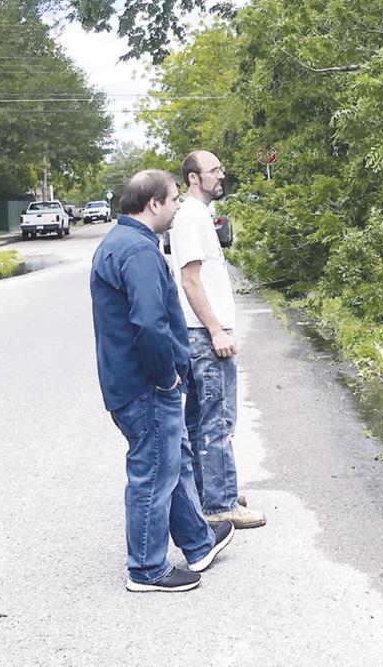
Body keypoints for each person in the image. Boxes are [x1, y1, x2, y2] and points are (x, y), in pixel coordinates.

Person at [90, 169, 235, 591]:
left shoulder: (122, 242)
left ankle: (197, 541)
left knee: (168, 463)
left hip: (130, 382)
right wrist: (167, 377)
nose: (177, 208)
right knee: (153, 471)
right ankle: (147, 568)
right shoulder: (137, 252)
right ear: (153, 203)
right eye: (173, 200)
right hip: (145, 385)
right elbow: (150, 325)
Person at [169, 151, 266, 528]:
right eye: (214, 171)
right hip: (206, 337)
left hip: (200, 335)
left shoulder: (196, 216)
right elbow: (190, 280)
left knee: (200, 420)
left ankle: (213, 489)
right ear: (194, 178)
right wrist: (215, 331)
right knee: (217, 421)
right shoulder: (192, 217)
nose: (221, 175)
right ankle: (221, 504)